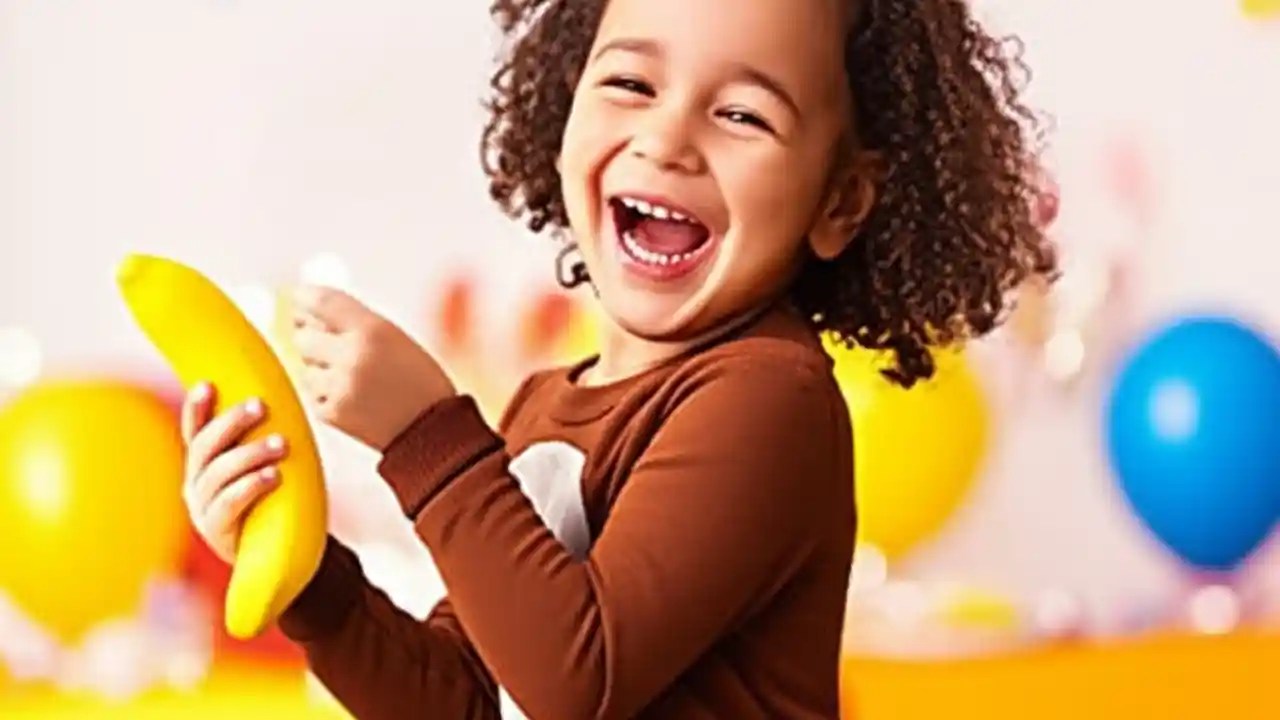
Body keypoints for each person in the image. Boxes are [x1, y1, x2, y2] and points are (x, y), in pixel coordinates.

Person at [179, 0, 1056, 717]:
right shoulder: (539, 407)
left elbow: (577, 679)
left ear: (841, 200)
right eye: (632, 83)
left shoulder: (766, 400)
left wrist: (424, 435)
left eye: (743, 114)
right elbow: (468, 702)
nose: (668, 139)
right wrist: (310, 581)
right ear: (565, 108)